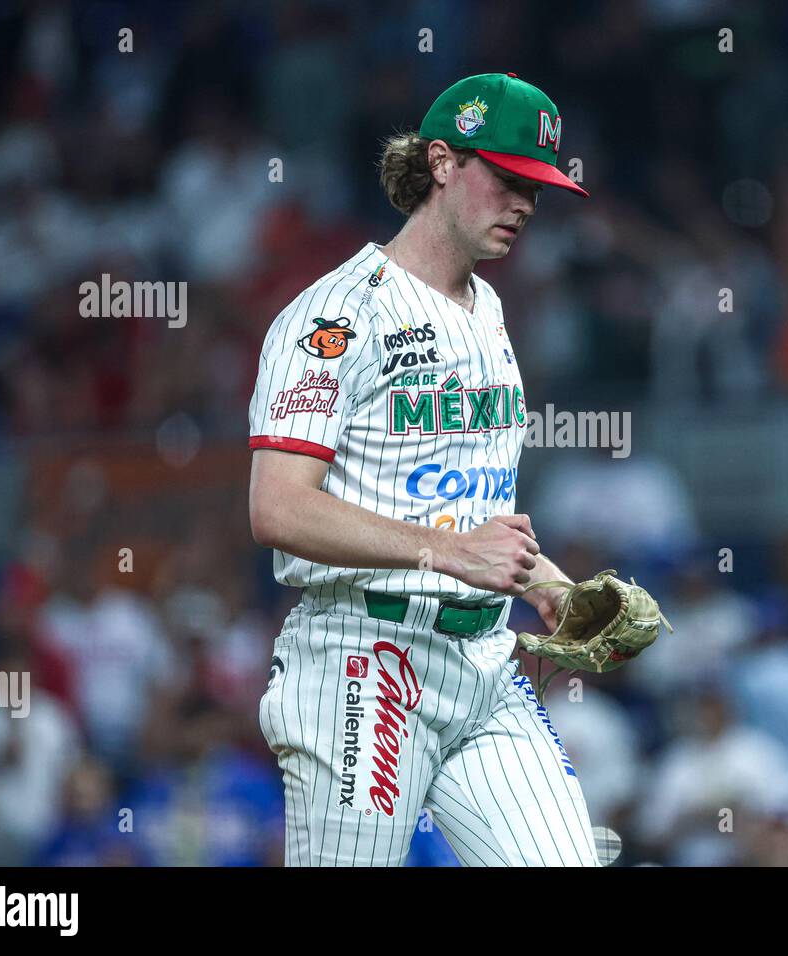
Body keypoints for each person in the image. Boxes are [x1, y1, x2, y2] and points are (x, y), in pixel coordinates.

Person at [247, 73, 597, 866]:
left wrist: (550, 587)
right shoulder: (336, 316)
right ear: (442, 162)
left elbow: (463, 508)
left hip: (485, 663)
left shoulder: (490, 307)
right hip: (361, 660)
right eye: (509, 181)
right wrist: (451, 554)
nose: (526, 206)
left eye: (538, 190)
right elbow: (277, 509)